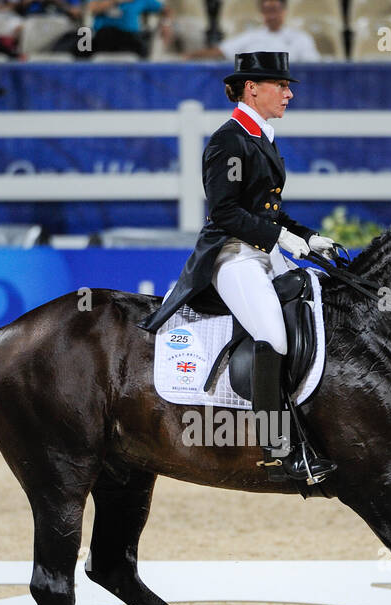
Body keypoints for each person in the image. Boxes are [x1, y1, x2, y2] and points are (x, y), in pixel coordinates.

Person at [137, 52, 337, 484]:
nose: (289, 93)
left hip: (263, 252)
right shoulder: (230, 140)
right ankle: (278, 447)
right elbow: (226, 212)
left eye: (289, 87)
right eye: (281, 86)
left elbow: (266, 208)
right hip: (232, 257)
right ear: (253, 89)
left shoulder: (261, 136)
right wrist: (280, 238)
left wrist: (306, 234)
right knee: (272, 335)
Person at [178, 0, 321, 62]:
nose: (271, 16)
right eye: (266, 11)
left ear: (284, 12)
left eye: (274, 11)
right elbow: (221, 51)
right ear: (261, 13)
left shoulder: (301, 38)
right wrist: (192, 55)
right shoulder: (250, 37)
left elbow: (312, 66)